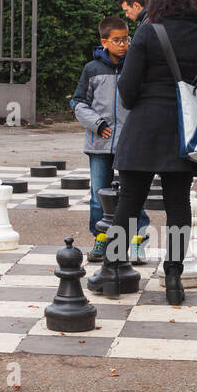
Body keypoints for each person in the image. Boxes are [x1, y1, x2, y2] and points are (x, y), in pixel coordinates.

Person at [106, 0, 197, 305]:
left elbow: (127, 90)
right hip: (185, 135)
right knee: (178, 206)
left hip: (145, 129)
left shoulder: (148, 31)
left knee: (129, 203)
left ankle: (113, 271)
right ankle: (173, 277)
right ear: (189, 0)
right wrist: (192, 102)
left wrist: (144, 101)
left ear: (157, 2)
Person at [71, 16, 149, 263]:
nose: (123, 44)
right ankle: (101, 237)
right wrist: (98, 124)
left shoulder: (136, 66)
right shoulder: (91, 69)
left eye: (126, 39)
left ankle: (137, 240)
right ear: (104, 42)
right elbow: (78, 103)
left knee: (134, 193)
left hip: (130, 143)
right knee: (98, 194)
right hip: (100, 144)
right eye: (117, 40)